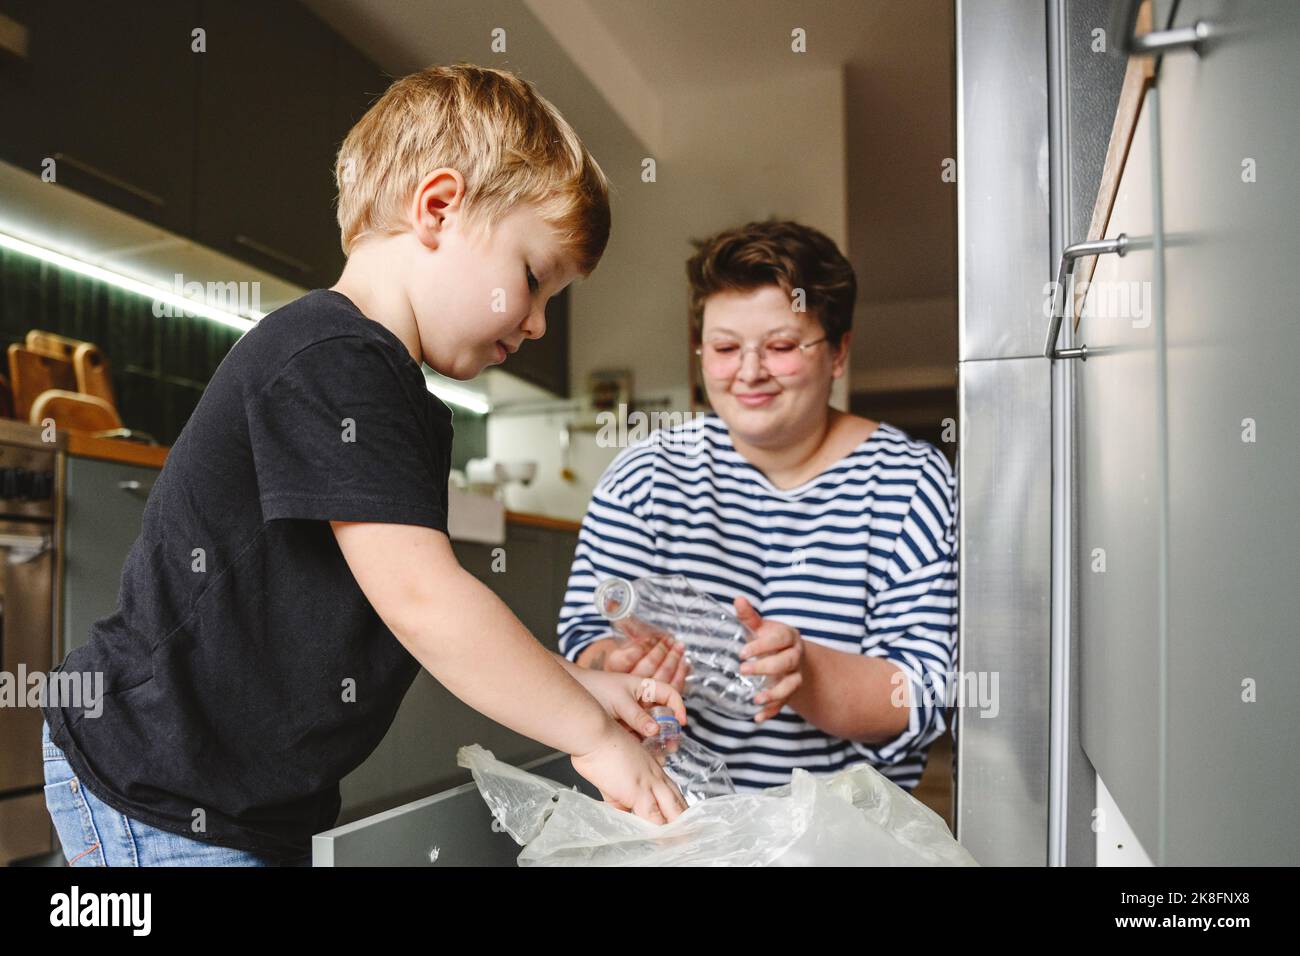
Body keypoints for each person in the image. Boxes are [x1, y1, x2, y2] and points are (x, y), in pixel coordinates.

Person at [41, 64, 687, 868]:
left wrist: (576, 687)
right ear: (439, 207)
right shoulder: (335, 356)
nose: (537, 324)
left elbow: (410, 603)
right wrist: (590, 736)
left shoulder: (382, 384)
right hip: (162, 785)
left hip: (243, 797)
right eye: (532, 279)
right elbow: (426, 601)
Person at [559, 219, 958, 792]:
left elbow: (921, 695)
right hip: (675, 822)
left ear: (839, 351)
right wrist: (613, 667)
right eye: (724, 347)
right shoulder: (645, 476)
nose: (748, 372)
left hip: (843, 834)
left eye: (781, 346)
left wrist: (805, 672)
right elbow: (582, 645)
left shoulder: (910, 481)